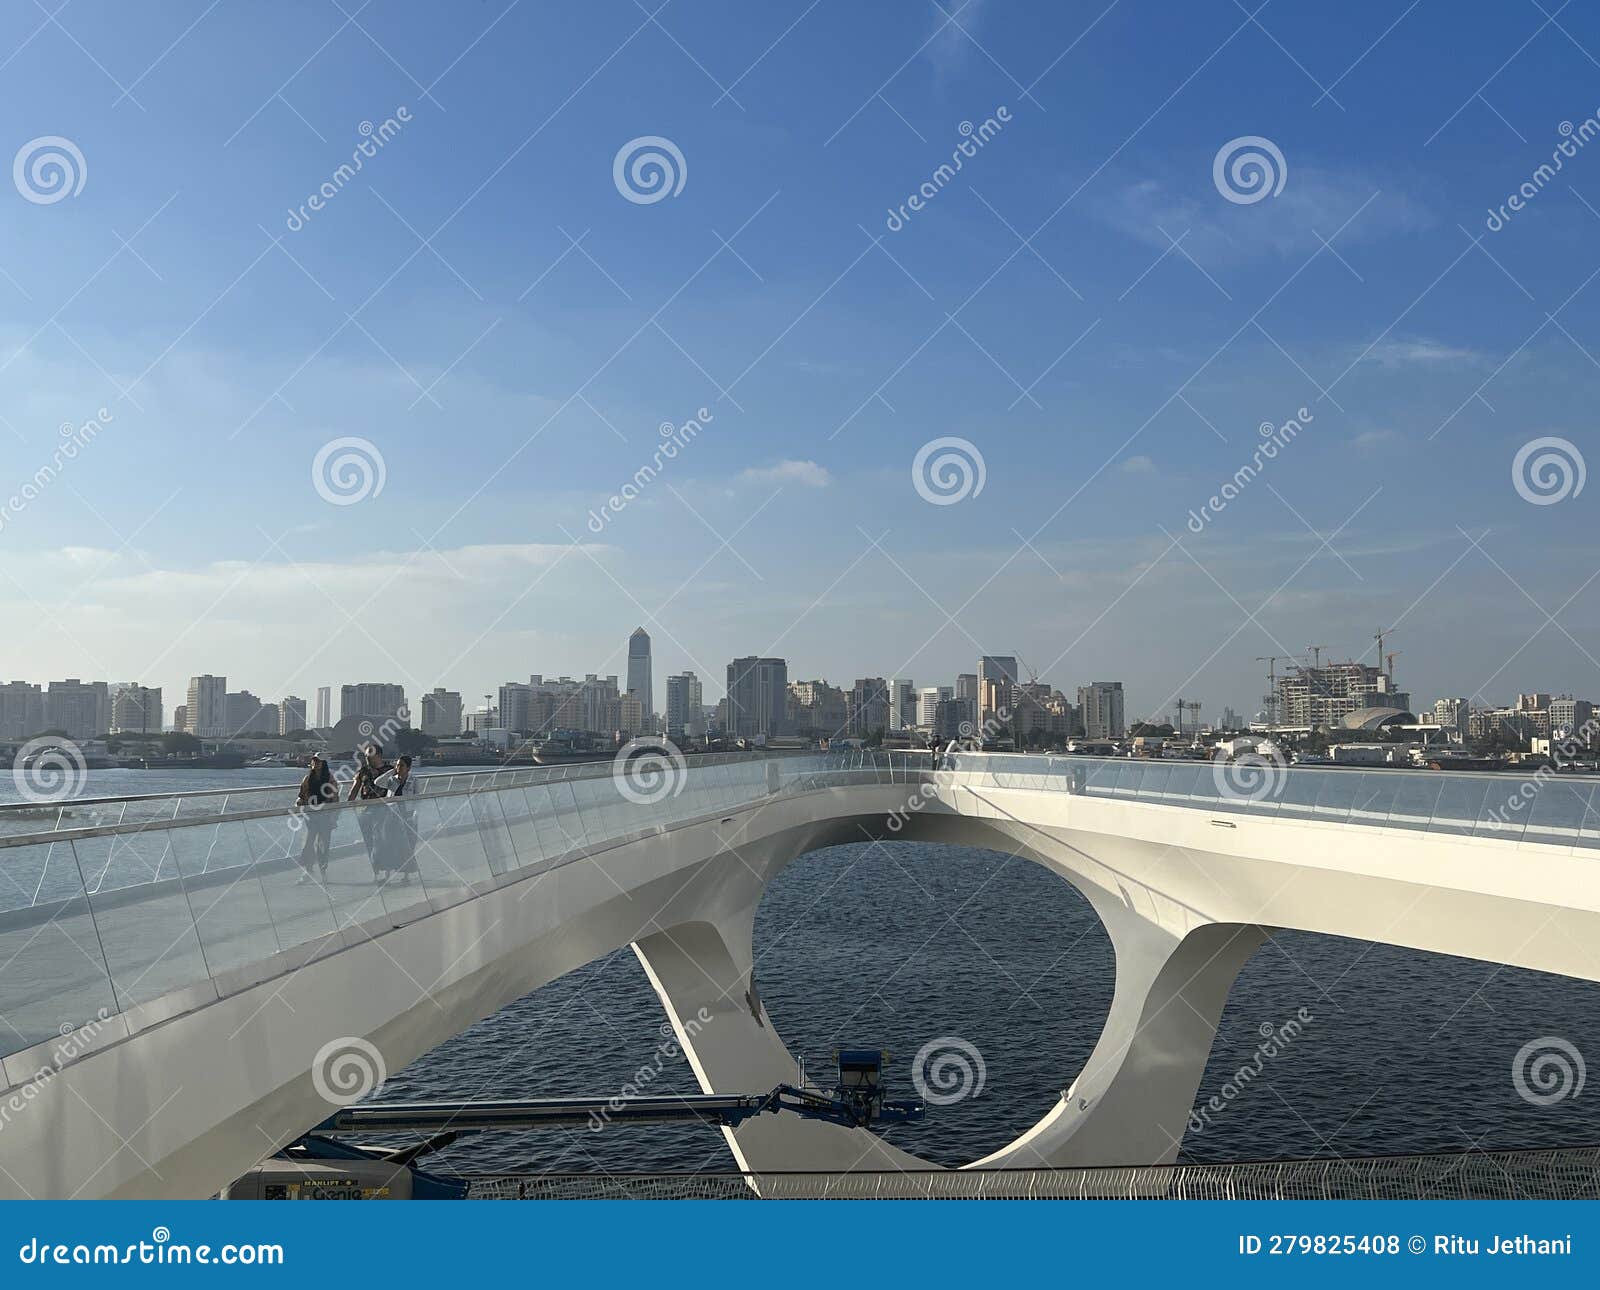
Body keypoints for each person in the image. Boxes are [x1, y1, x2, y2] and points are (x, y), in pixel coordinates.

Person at [347, 743, 392, 878]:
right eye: (365, 755)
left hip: (385, 809)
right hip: (367, 810)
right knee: (368, 840)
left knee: (382, 839)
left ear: (379, 756)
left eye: (369, 755)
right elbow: (354, 790)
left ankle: (386, 870)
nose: (366, 758)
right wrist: (347, 805)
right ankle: (375, 870)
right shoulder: (363, 771)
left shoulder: (390, 770)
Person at [375, 755, 418, 882]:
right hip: (392, 814)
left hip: (407, 815)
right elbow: (377, 782)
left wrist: (415, 815)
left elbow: (418, 798)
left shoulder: (414, 780)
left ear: (408, 768)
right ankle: (387, 874)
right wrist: (391, 771)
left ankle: (406, 875)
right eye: (397, 765)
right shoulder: (392, 780)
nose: (398, 767)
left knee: (407, 845)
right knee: (388, 843)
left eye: (401, 765)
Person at [295, 753, 337, 883]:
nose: (316, 763)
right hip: (311, 816)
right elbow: (301, 796)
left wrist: (334, 817)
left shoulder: (329, 778)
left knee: (323, 845)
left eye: (319, 761)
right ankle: (308, 871)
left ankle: (323, 873)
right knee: (308, 844)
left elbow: (335, 799)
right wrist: (298, 806)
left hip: (325, 816)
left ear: (324, 763)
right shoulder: (307, 779)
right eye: (315, 760)